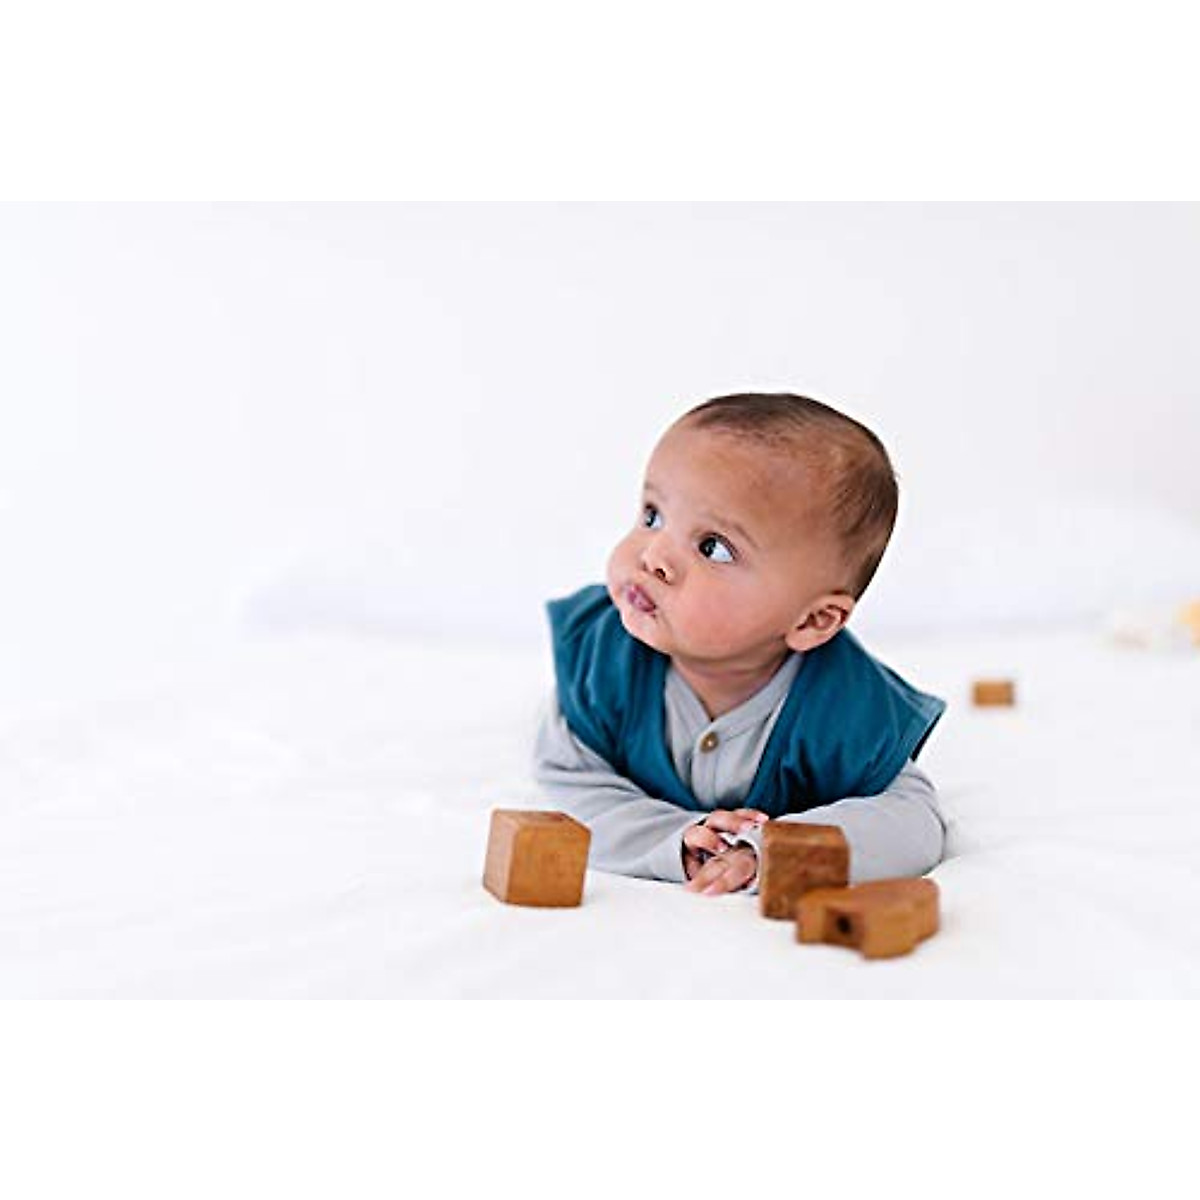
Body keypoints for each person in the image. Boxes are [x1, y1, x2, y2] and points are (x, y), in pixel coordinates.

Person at [533, 392, 947, 898]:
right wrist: (672, 837)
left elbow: (914, 824)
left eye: (713, 547)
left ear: (813, 620)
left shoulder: (846, 709)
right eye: (653, 515)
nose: (653, 555)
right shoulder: (602, 660)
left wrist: (774, 849)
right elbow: (568, 782)